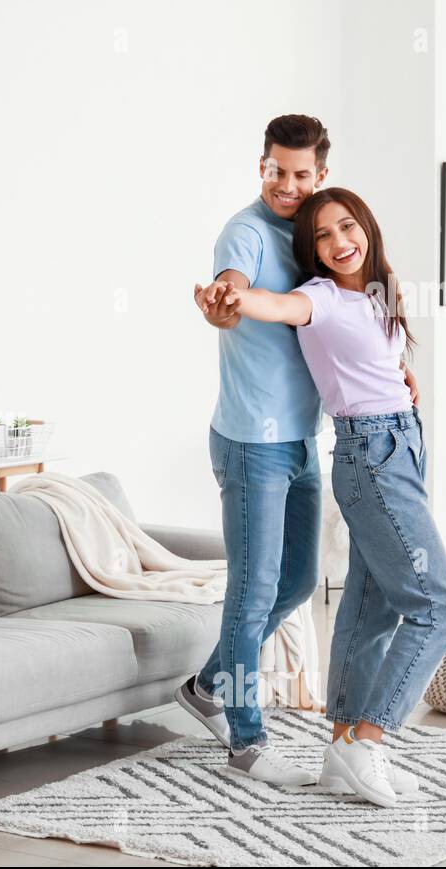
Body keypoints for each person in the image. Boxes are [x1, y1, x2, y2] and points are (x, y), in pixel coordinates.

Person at [196, 186, 446, 807]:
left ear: (366, 226)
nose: (340, 242)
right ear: (311, 250)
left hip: (402, 446)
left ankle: (342, 745)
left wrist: (400, 377)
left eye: (347, 227)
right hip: (371, 458)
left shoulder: (379, 292)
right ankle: (367, 741)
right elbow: (272, 303)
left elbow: (376, 357)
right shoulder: (317, 297)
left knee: (371, 608)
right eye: (322, 236)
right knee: (438, 607)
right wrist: (229, 295)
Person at [174, 115, 417, 787]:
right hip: (252, 442)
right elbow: (233, 291)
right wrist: (222, 302)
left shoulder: (314, 233)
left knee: (299, 582)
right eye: (275, 170)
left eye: (300, 174)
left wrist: (394, 369)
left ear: (321, 174)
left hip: (302, 436)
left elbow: (343, 323)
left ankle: (206, 687)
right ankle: (246, 742)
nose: (286, 184)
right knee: (253, 591)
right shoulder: (246, 232)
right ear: (262, 166)